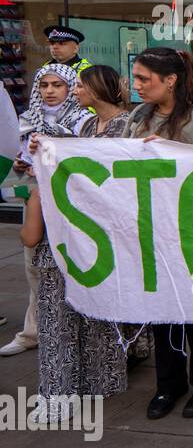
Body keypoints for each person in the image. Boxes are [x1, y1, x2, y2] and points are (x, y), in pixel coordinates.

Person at [127, 47, 193, 419]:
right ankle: (168, 385)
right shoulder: (139, 117)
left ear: (170, 81)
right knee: (161, 309)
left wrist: (171, 155)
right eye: (136, 77)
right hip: (152, 231)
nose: (136, 85)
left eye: (144, 78)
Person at [19, 180, 132, 423]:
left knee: (57, 332)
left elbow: (30, 237)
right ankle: (100, 380)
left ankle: (59, 394)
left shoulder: (42, 189)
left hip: (56, 266)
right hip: (95, 260)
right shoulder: (97, 185)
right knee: (97, 323)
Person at [1, 63, 89, 358]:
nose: (49, 91)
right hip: (37, 202)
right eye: (44, 86)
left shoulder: (83, 120)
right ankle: (32, 332)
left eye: (57, 85)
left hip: (71, 208)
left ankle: (78, 335)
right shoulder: (29, 119)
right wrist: (20, 166)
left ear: (69, 88)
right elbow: (21, 163)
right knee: (34, 269)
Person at [72, 65, 153, 371]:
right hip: (95, 219)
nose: (76, 91)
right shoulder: (88, 123)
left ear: (96, 89)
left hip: (121, 216)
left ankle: (134, 344)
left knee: (127, 279)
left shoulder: (127, 124)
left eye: (81, 86)